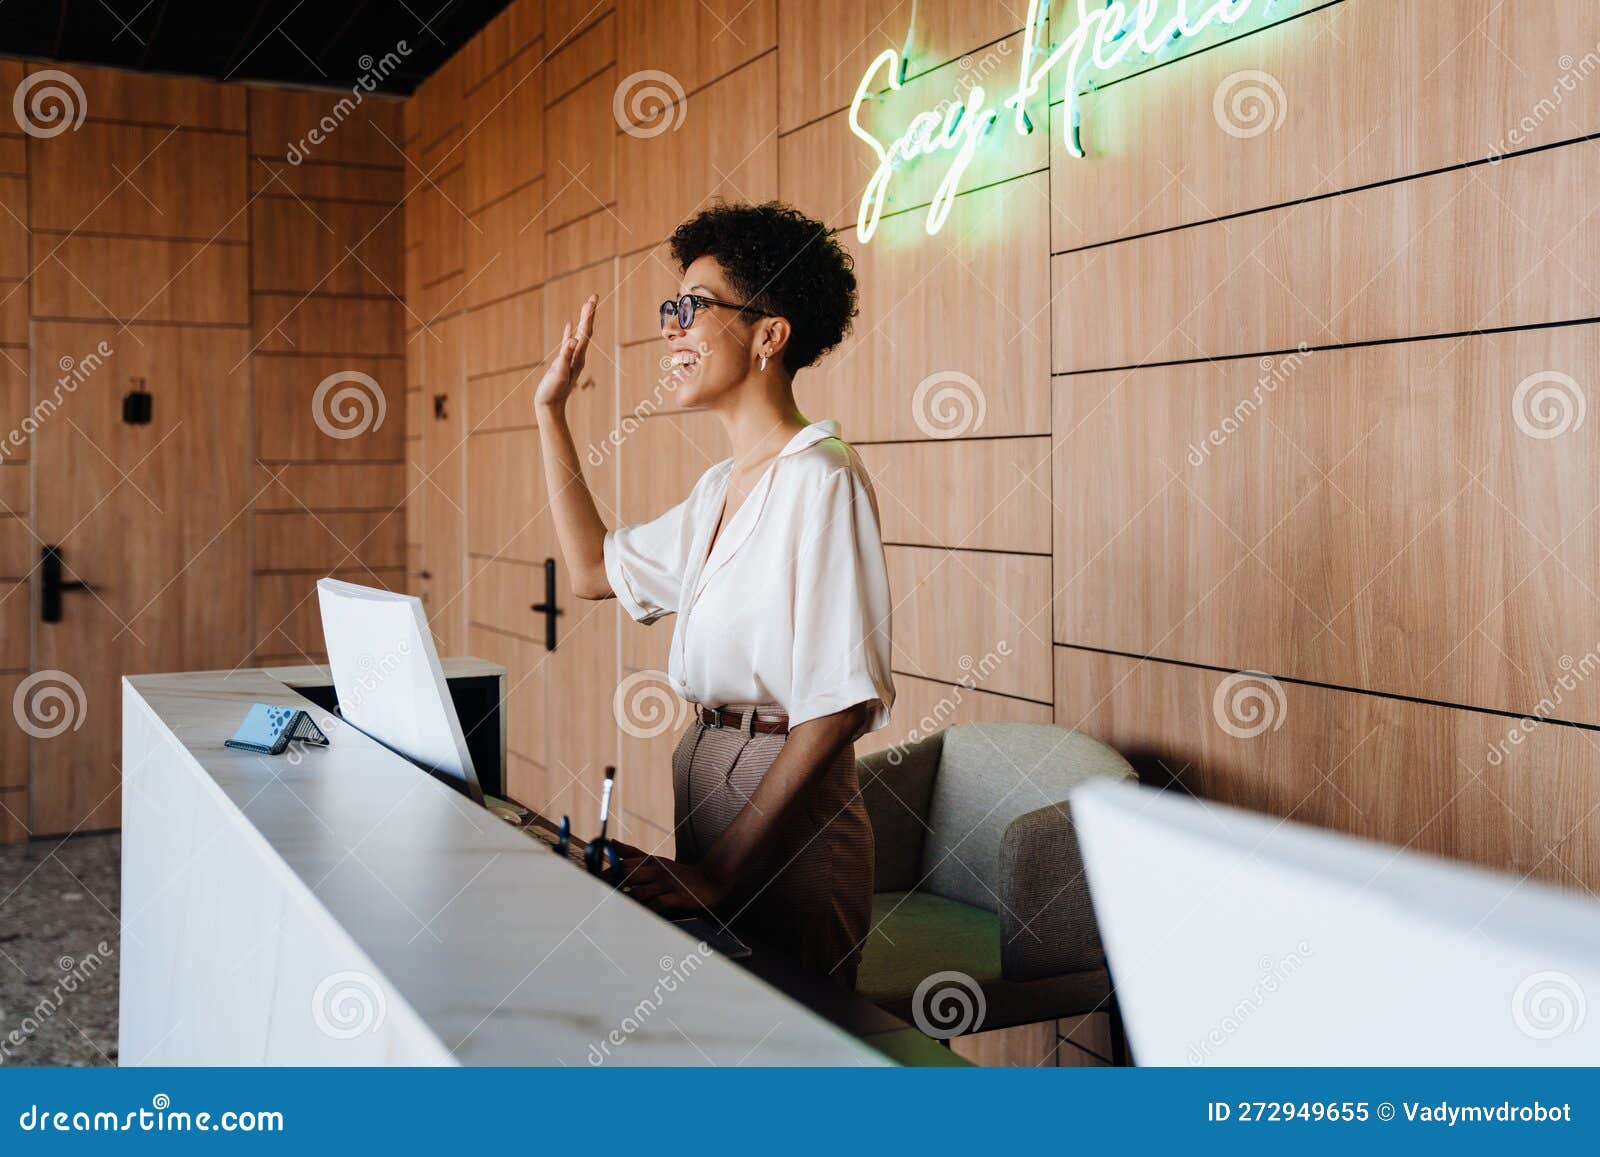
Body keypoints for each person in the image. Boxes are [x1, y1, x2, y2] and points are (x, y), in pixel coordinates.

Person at [533, 201, 895, 989]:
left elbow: (836, 705)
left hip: (788, 825)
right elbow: (595, 569)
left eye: (691, 306)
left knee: (792, 1065)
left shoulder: (821, 477)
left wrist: (724, 869)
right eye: (671, 307)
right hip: (707, 787)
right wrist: (550, 412)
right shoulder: (714, 492)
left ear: (769, 334)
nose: (671, 326)